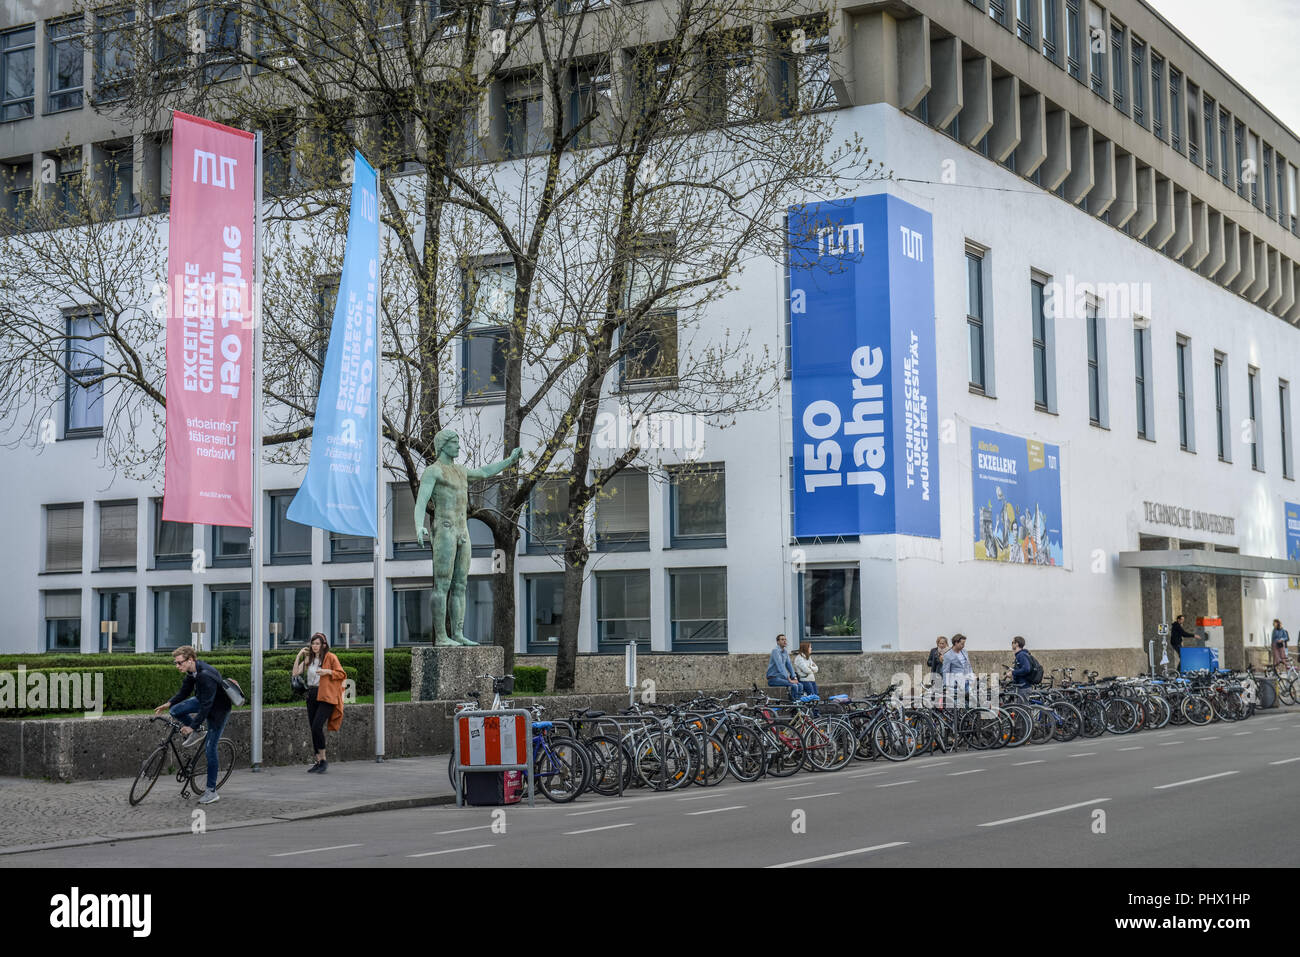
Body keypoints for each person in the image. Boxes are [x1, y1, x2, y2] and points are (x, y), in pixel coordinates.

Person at [154, 645, 232, 805]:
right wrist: (168, 704)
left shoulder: (205, 675)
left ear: (190, 660)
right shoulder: (192, 671)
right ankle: (198, 732)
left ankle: (211, 791)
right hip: (203, 701)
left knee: (210, 750)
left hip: (218, 711)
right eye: (175, 663)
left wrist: (191, 726)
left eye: (179, 663)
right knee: (175, 710)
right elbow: (184, 692)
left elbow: (207, 706)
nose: (177, 666)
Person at [292, 633, 347, 773]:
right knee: (313, 728)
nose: (314, 646)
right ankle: (318, 761)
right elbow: (295, 674)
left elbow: (341, 674)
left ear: (323, 645)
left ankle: (323, 760)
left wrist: (327, 671)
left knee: (317, 726)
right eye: (313, 643)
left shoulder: (331, 657)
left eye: (317, 644)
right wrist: (299, 656)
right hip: (312, 695)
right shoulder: (309, 659)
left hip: (326, 696)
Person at [766, 634, 800, 699]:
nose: (784, 641)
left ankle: (798, 703)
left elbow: (789, 664)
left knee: (800, 685)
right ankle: (794, 704)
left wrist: (794, 677)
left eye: (785, 639)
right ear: (778, 642)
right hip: (773, 678)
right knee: (794, 686)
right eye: (782, 640)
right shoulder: (775, 651)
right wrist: (789, 679)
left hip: (781, 678)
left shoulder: (785, 652)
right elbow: (780, 666)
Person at [942, 633, 974, 703]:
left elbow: (968, 665)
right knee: (958, 702)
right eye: (962, 644)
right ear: (956, 643)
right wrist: (946, 685)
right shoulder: (948, 655)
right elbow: (945, 671)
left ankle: (970, 713)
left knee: (970, 701)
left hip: (966, 681)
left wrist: (972, 676)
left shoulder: (964, 652)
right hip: (956, 683)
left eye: (964, 644)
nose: (963, 646)